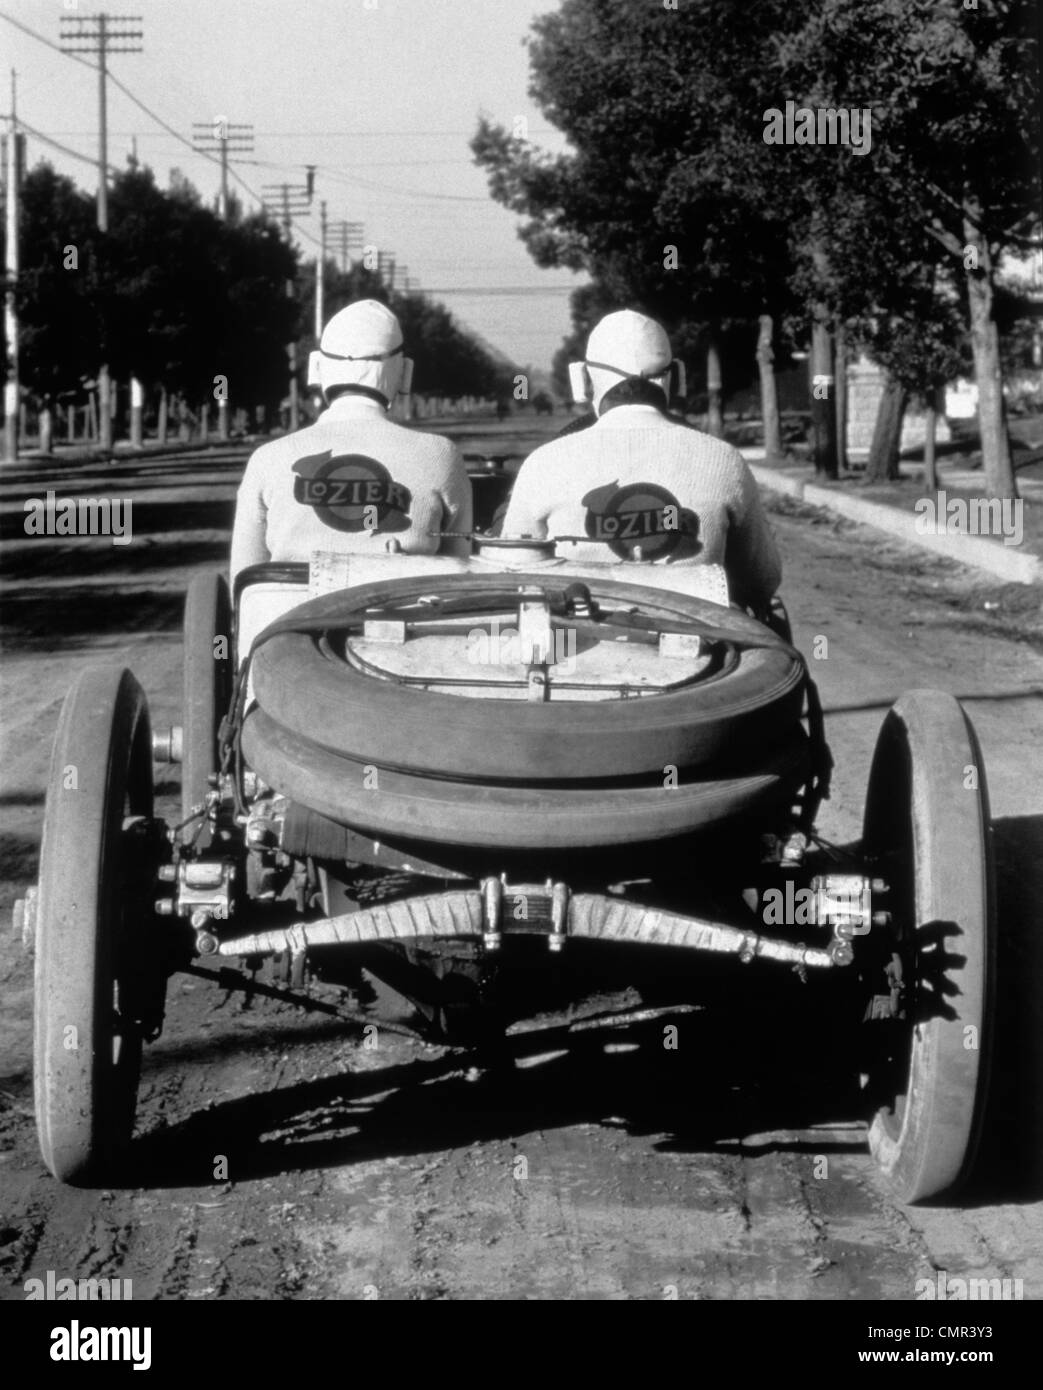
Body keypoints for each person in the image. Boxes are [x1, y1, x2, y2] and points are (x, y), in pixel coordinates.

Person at [500, 309, 781, 614]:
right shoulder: (724, 459)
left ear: (583, 380)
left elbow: (513, 573)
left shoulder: (543, 463)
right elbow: (763, 580)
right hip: (705, 652)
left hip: (572, 650)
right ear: (675, 378)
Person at [231, 300, 472, 583]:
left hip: (284, 619)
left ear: (317, 368)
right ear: (404, 372)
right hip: (406, 616)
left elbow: (244, 579)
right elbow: (460, 567)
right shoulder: (440, 454)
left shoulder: (268, 458)